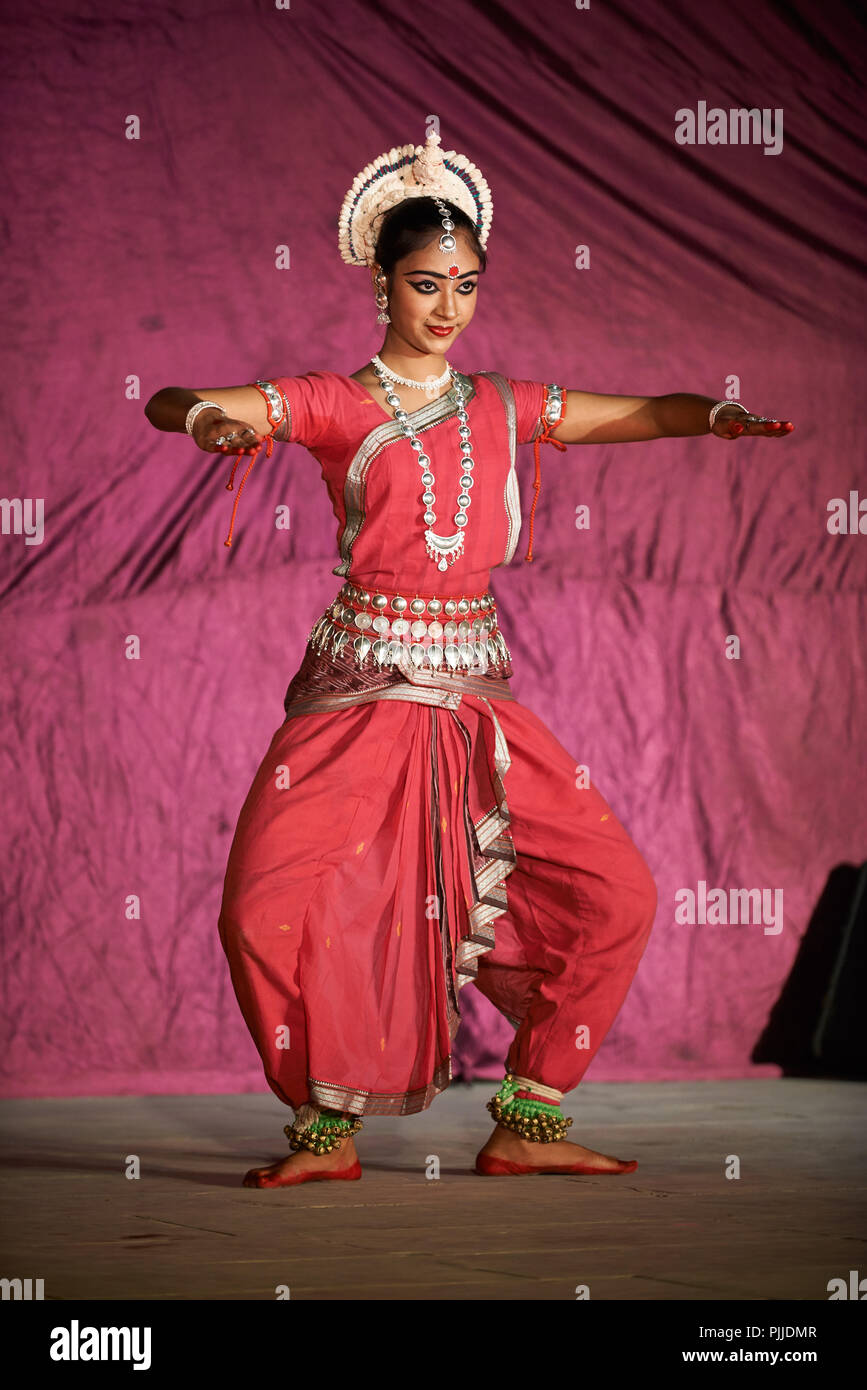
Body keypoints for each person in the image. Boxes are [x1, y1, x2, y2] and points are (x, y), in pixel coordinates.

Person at [144, 129, 794, 1188]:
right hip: (358, 695)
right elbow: (166, 399)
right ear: (382, 285)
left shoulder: (502, 402)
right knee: (265, 903)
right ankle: (327, 1130)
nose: (447, 307)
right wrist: (212, 418)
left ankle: (526, 1121)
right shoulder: (332, 401)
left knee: (614, 891)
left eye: (466, 285)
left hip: (475, 703)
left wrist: (710, 416)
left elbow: (632, 412)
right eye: (425, 284)